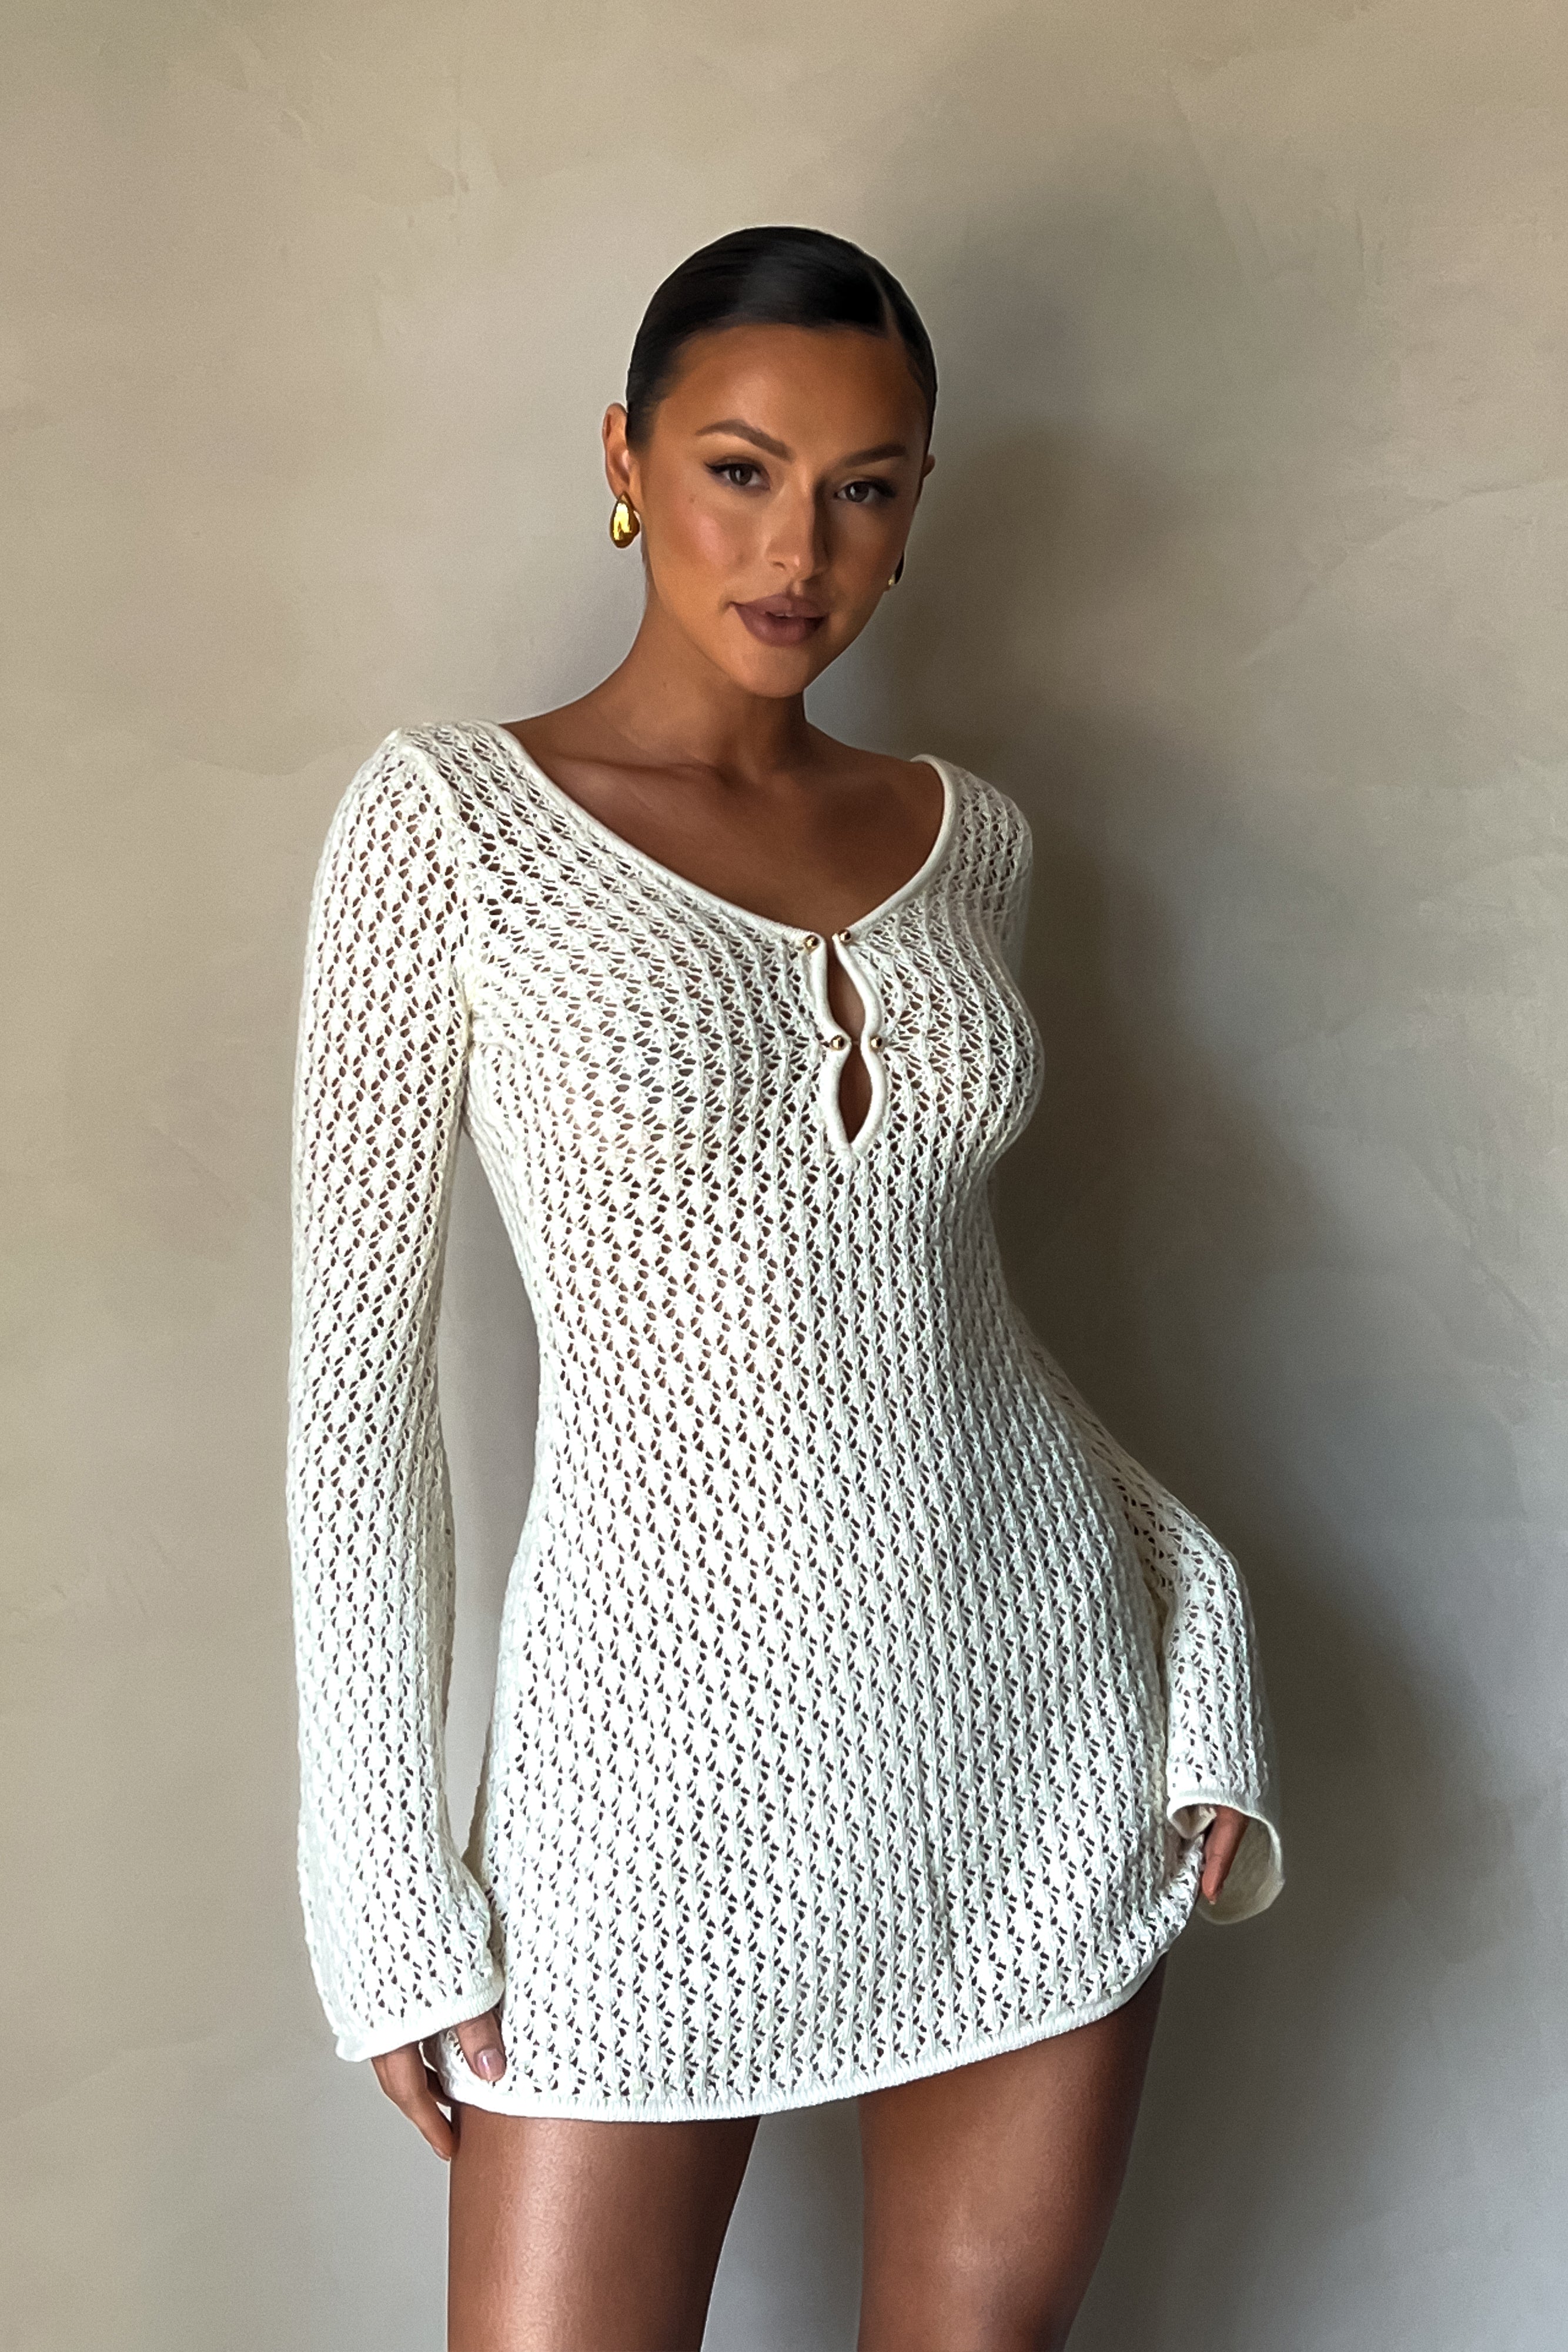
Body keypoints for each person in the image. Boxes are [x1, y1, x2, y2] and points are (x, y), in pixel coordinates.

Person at [285, 223, 1284, 2352]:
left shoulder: (973, 840)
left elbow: (940, 1322)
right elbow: (356, 1402)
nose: (797, 547)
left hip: (1022, 1720)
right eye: (739, 469)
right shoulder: (449, 827)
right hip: (642, 1763)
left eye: (863, 487)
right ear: (626, 461)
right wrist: (382, 1890)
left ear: (915, 512)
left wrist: (1190, 1611)